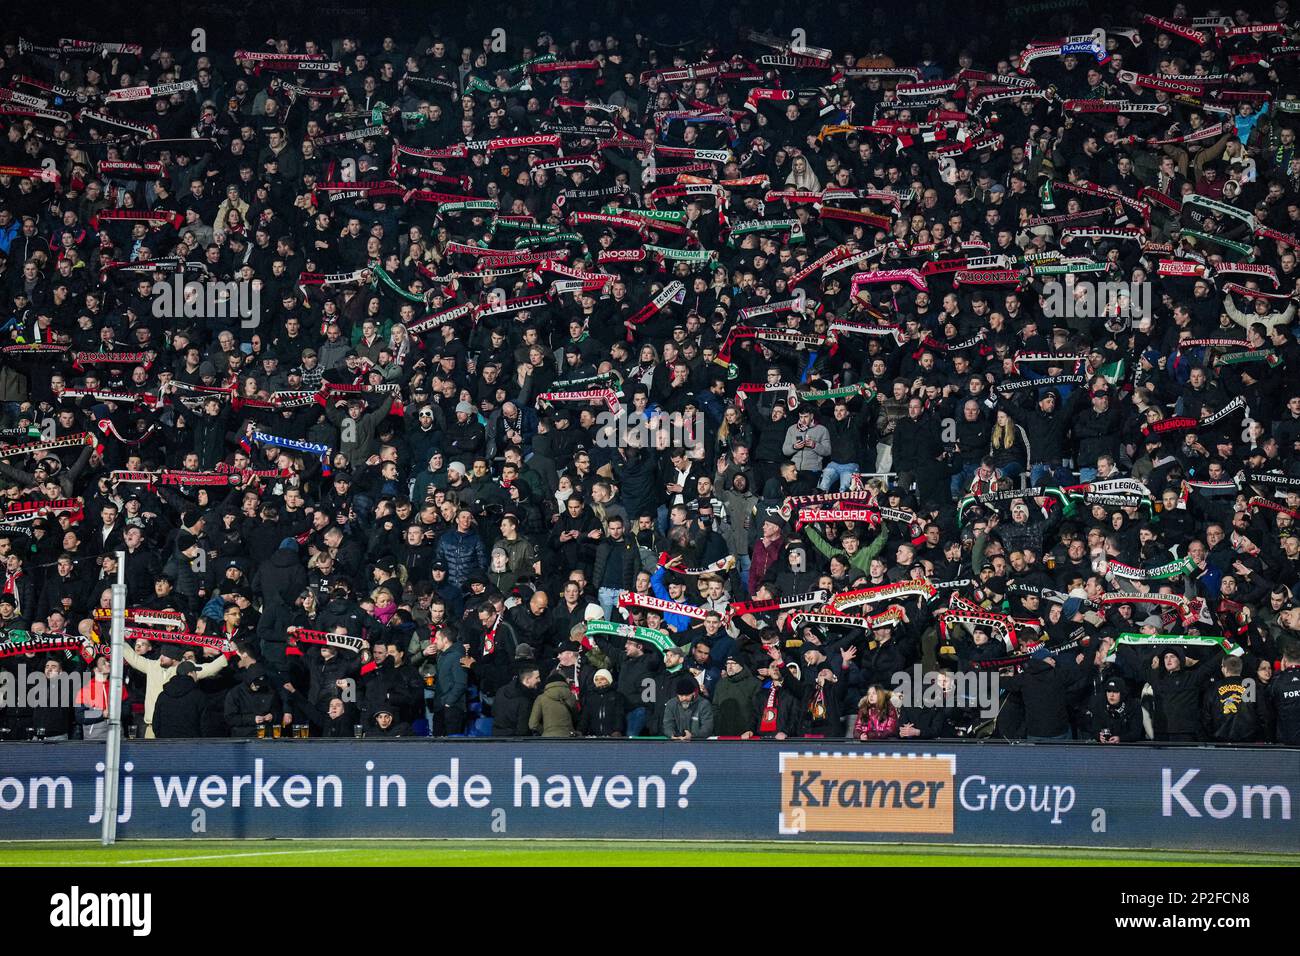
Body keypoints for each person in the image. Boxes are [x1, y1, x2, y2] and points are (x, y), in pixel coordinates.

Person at [529, 671, 578, 737]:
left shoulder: (541, 698)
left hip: (548, 738)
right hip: (568, 737)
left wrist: (546, 731)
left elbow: (532, 724)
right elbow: (575, 718)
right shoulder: (572, 696)